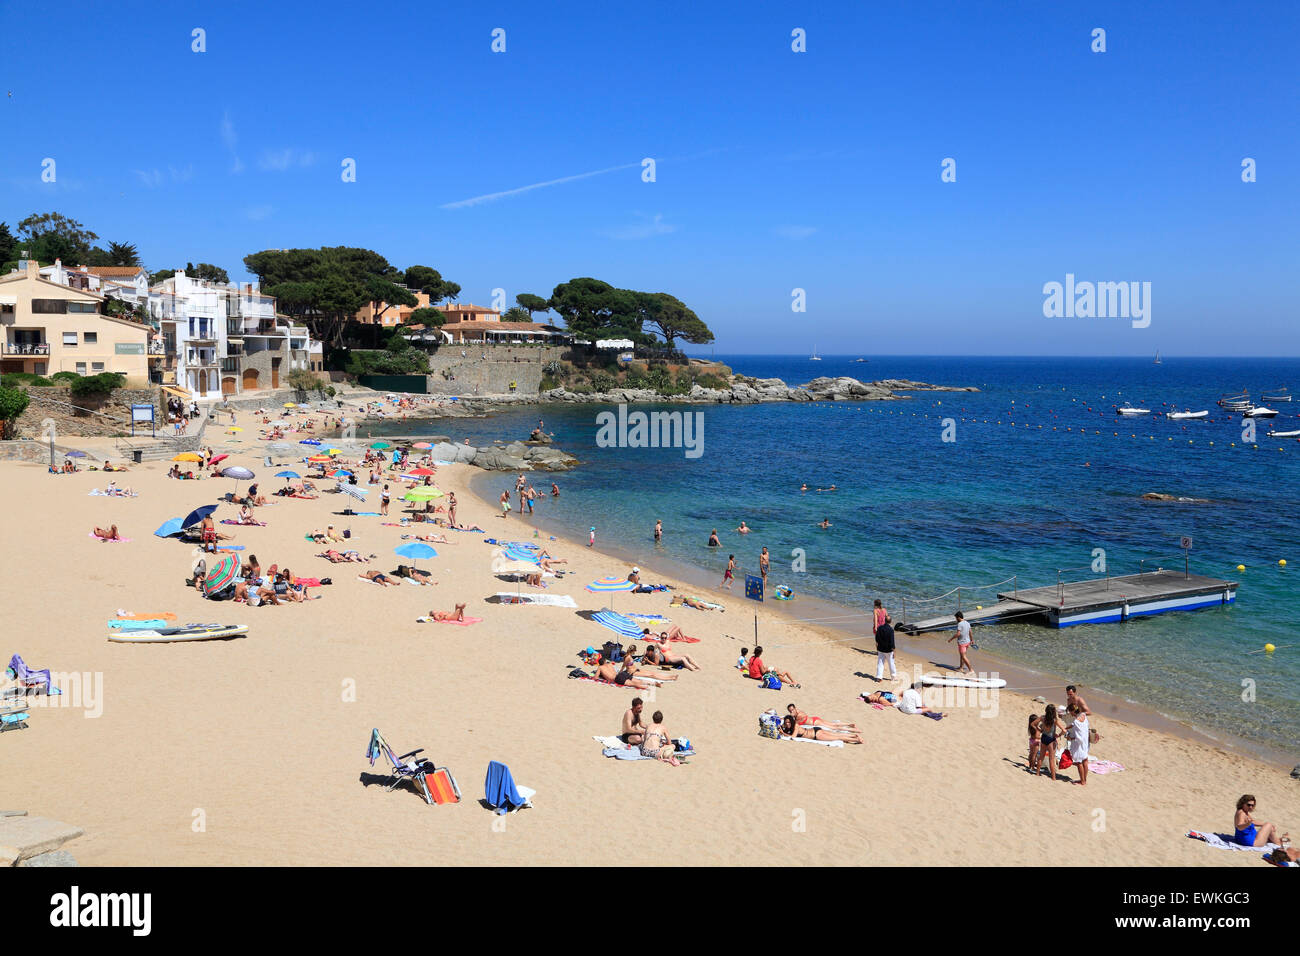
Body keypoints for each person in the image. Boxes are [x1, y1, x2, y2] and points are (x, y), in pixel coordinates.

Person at [780, 714, 862, 744]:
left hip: (816, 735)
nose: (787, 724)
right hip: (816, 729)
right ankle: (853, 735)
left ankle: (857, 740)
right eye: (786, 722)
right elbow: (784, 726)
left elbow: (793, 737)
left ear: (791, 722)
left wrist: (783, 733)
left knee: (837, 737)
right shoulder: (792, 726)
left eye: (788, 722)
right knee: (836, 734)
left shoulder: (795, 727)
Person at [1034, 704, 1067, 779]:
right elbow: (1064, 730)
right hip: (1051, 740)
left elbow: (1033, 724)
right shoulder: (1054, 720)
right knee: (1051, 759)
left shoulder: (1042, 718)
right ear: (1053, 712)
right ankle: (1053, 777)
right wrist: (1059, 735)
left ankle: (1037, 773)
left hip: (1044, 738)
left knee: (1041, 757)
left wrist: (1040, 729)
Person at [787, 703, 860, 733]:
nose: (791, 711)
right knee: (833, 724)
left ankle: (853, 729)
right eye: (790, 711)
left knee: (834, 727)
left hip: (815, 722)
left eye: (792, 710)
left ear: (795, 708)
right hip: (815, 719)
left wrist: (792, 716)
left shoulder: (799, 715)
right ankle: (849, 724)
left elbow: (795, 723)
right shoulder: (798, 712)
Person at [1065, 701, 1090, 786]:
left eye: (1070, 712)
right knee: (1085, 760)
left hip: (1079, 743)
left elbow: (1079, 737)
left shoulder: (1076, 721)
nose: (1070, 714)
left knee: (1079, 762)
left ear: (1072, 711)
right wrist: (1066, 728)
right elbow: (1078, 726)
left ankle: (1082, 781)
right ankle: (1084, 779)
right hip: (1086, 743)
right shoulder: (1084, 715)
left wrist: (1070, 738)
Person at [874, 614, 897, 681]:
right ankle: (893, 676)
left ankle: (879, 677)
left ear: (884, 621)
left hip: (880, 649)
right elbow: (892, 642)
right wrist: (894, 651)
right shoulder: (890, 630)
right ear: (890, 621)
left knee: (880, 663)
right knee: (891, 663)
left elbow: (876, 639)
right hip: (888, 650)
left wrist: (877, 648)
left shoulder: (879, 628)